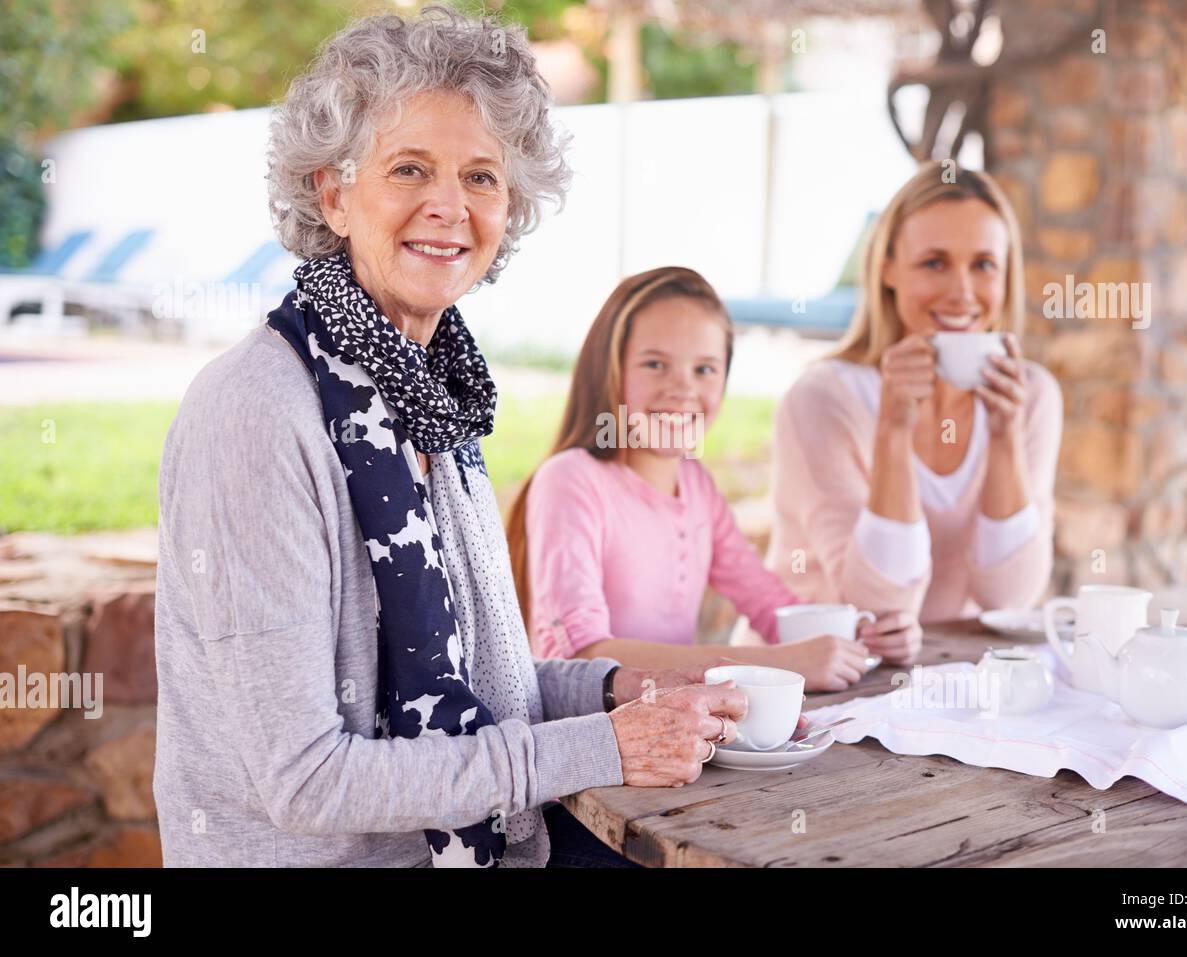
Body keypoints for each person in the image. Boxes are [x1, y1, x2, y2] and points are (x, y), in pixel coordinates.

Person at [152, 6, 745, 869]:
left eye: (480, 177)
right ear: (332, 190)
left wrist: (627, 689)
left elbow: (481, 684)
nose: (449, 206)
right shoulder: (254, 412)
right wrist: (608, 745)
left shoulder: (437, 397)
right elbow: (307, 780)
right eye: (409, 168)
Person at [506, 266, 905, 692]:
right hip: (593, 741)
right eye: (655, 364)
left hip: (680, 733)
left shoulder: (697, 486)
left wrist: (864, 638)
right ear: (608, 369)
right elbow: (581, 656)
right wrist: (776, 665)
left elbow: (769, 605)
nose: (682, 389)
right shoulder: (571, 480)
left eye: (705, 370)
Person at [768, 161, 1063, 633]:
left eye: (984, 265)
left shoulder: (1032, 397)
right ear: (887, 268)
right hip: (813, 684)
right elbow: (875, 605)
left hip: (948, 678)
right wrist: (893, 431)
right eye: (934, 263)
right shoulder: (823, 400)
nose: (962, 292)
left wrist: (1005, 438)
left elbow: (1009, 600)